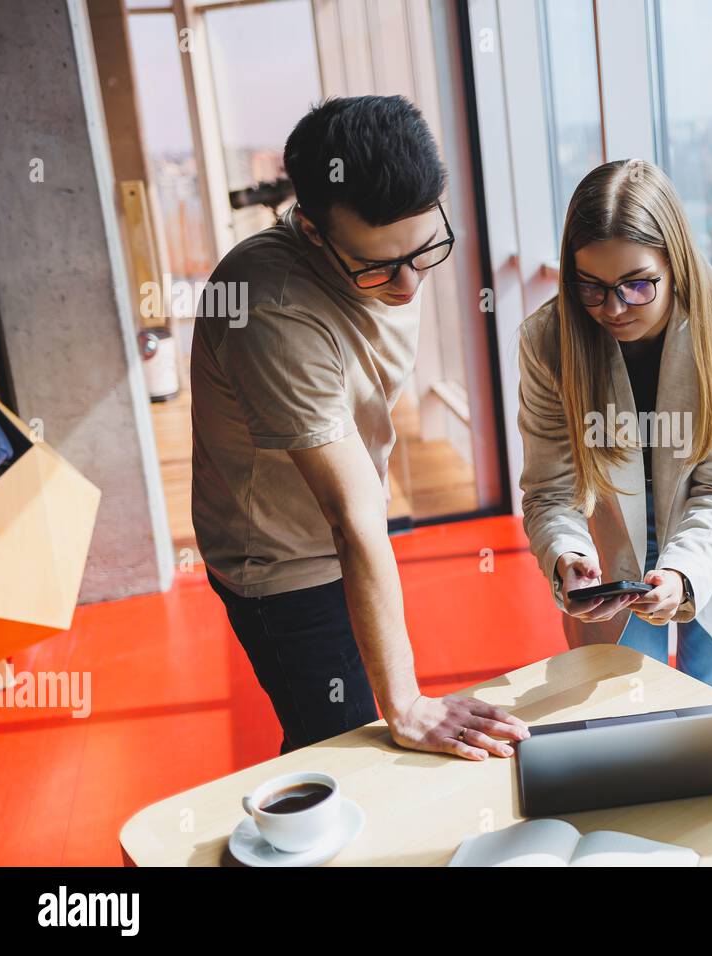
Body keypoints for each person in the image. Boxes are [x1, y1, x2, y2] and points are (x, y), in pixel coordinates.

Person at [191, 95, 527, 757]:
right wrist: (403, 703)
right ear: (313, 231)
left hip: (343, 525)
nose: (406, 284)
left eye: (425, 251)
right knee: (340, 750)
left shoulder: (393, 247)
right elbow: (352, 516)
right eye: (376, 266)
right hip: (283, 564)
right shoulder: (270, 308)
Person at [517, 159, 712, 705]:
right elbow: (550, 489)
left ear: (677, 261)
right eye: (591, 288)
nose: (614, 308)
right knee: (616, 708)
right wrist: (566, 555)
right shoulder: (548, 340)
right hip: (610, 532)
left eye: (637, 284)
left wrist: (684, 574)